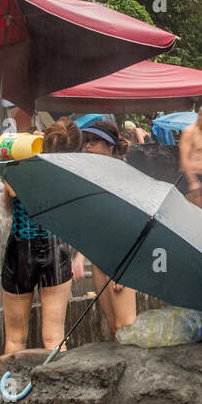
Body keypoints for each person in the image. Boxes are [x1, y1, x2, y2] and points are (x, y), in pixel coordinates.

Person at [0, 118, 79, 355]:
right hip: (56, 250)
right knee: (55, 338)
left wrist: (28, 145)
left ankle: (10, 390)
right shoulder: (71, 173)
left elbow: (8, 184)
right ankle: (59, 391)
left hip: (20, 250)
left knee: (15, 340)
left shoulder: (21, 166)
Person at [70, 118, 139, 333]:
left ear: (110, 146)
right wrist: (80, 258)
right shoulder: (90, 179)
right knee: (113, 325)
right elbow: (91, 223)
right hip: (99, 257)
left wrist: (124, 266)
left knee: (125, 325)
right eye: (86, 141)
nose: (88, 146)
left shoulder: (124, 177)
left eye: (95, 141)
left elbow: (133, 223)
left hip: (121, 256)